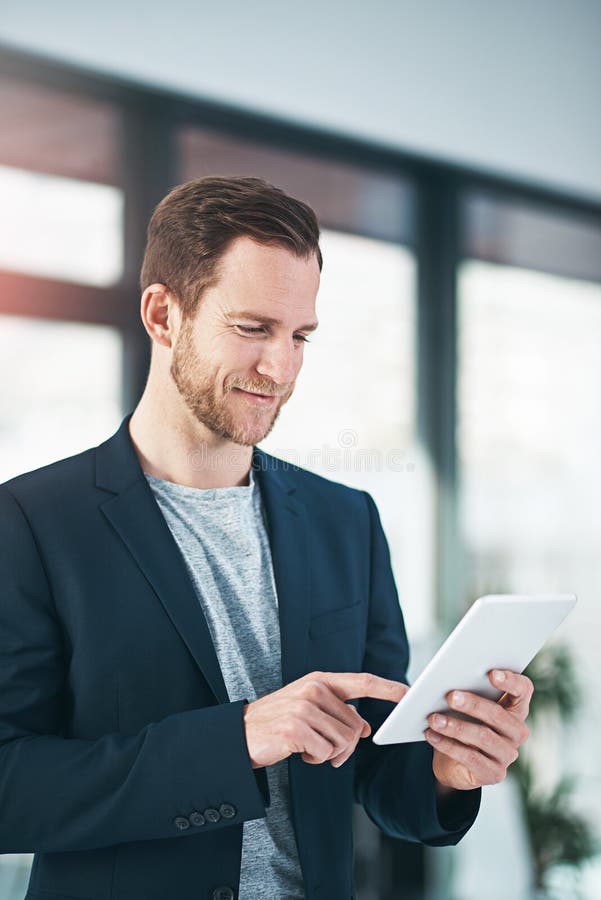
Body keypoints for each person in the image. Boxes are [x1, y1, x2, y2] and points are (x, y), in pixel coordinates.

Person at [0, 176, 532, 900]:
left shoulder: (348, 523)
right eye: (252, 328)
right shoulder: (30, 523)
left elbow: (377, 773)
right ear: (163, 314)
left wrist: (447, 773)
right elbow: (9, 787)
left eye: (299, 335)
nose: (279, 368)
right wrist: (236, 741)